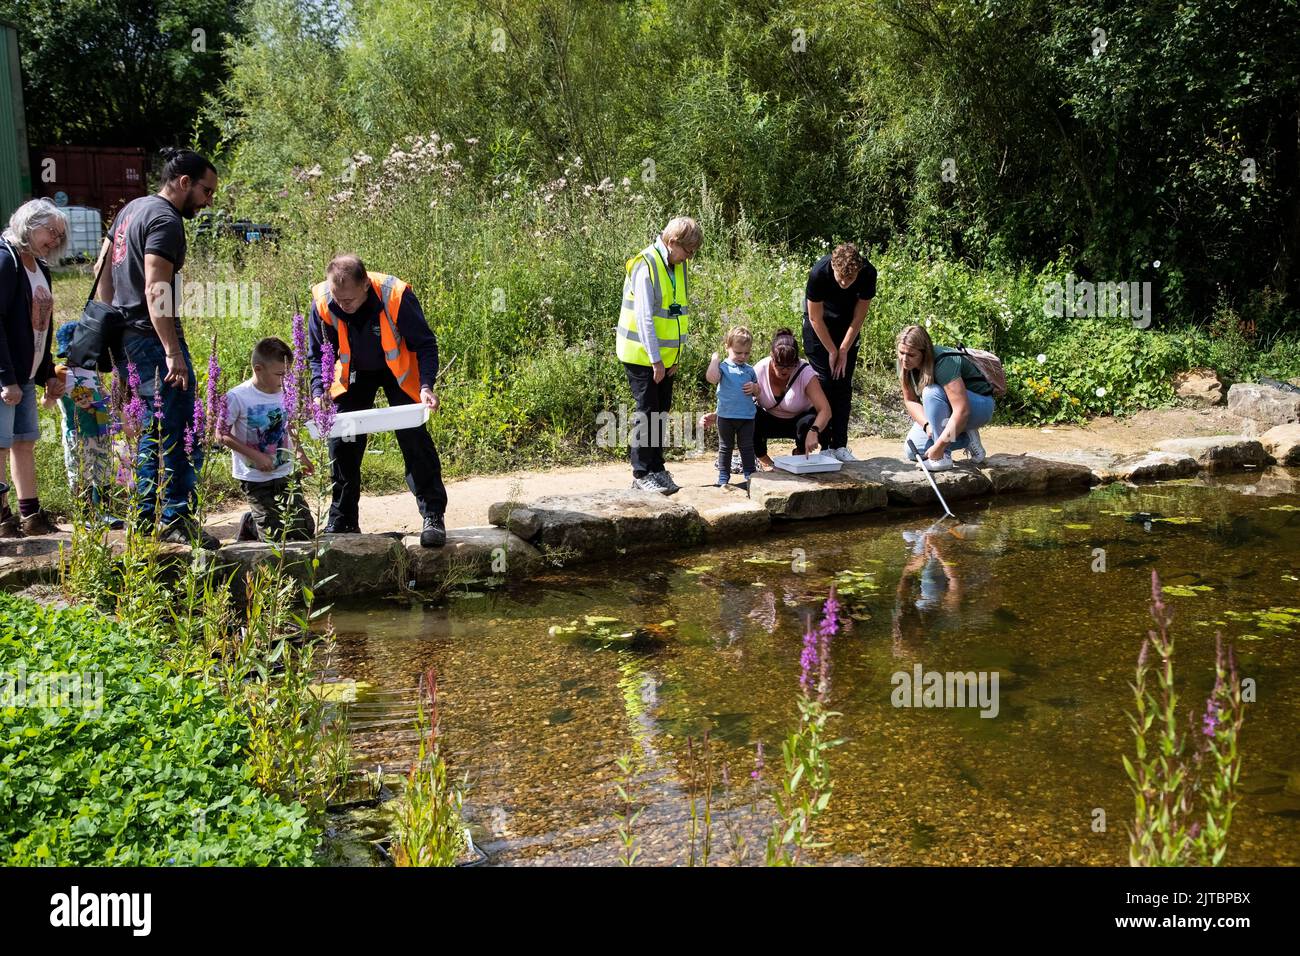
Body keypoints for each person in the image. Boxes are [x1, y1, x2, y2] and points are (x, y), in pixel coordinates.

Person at [94, 148, 220, 547]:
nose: (208, 201)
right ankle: (177, 516)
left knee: (152, 425)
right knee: (181, 423)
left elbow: (103, 271)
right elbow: (155, 287)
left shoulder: (132, 209)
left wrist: (111, 331)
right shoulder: (165, 220)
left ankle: (146, 516)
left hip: (127, 333)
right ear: (184, 182)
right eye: (206, 190)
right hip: (152, 336)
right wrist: (172, 350)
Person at [308, 253, 446, 547]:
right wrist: (319, 392)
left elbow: (425, 344)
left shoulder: (395, 295)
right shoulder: (322, 302)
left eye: (349, 300)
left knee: (413, 438)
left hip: (398, 371)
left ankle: (433, 515)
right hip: (354, 372)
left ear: (366, 287)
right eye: (337, 298)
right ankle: (342, 519)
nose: (342, 305)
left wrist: (426, 386)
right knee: (342, 440)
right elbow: (318, 355)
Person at [616, 216, 702, 494]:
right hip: (641, 354)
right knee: (647, 412)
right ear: (672, 242)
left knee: (661, 411)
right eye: (687, 251)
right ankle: (641, 473)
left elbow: (676, 312)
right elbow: (645, 319)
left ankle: (657, 468)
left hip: (665, 357)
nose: (689, 257)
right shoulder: (646, 264)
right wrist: (656, 360)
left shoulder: (677, 265)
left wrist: (674, 358)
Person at [0, 198, 69, 537]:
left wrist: (46, 373)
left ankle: (31, 516)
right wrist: (6, 378)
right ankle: (2, 518)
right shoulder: (5, 260)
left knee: (24, 442)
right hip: (6, 376)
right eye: (51, 232)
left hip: (26, 374)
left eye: (59, 235)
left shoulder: (39, 267)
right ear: (28, 224)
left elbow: (41, 325)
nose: (55, 240)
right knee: (0, 444)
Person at [220, 337, 316, 542]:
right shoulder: (237, 396)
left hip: (285, 471)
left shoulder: (286, 393)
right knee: (274, 538)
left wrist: (300, 454)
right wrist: (255, 455)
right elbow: (221, 434)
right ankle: (252, 524)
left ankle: (255, 520)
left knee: (302, 532)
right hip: (255, 477)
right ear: (258, 369)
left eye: (287, 374)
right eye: (280, 374)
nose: (284, 379)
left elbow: (289, 425)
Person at [803, 243, 877, 463]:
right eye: (840, 278)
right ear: (833, 267)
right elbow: (814, 317)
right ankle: (825, 446)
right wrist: (832, 350)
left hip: (847, 328)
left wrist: (843, 349)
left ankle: (840, 445)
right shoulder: (819, 272)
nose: (845, 284)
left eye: (850, 279)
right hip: (819, 329)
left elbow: (859, 316)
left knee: (843, 384)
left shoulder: (868, 273)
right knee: (824, 383)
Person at [47, 320, 118, 527]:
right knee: (80, 472)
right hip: (78, 432)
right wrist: (51, 396)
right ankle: (85, 515)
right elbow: (47, 402)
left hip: (102, 429)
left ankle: (104, 512)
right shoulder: (60, 372)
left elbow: (102, 393)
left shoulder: (93, 370)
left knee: (103, 472)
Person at [896, 324, 994, 472]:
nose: (904, 359)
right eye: (901, 352)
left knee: (931, 392)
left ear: (925, 353)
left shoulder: (943, 361)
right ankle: (966, 437)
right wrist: (927, 425)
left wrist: (940, 447)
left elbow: (962, 411)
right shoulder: (904, 363)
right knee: (913, 451)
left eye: (911, 355)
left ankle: (943, 458)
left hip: (980, 407)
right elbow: (910, 400)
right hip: (951, 410)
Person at [751, 328, 833, 469]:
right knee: (749, 414)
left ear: (797, 362)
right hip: (769, 421)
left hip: (798, 423)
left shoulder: (805, 372)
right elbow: (737, 397)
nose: (784, 371)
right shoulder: (759, 369)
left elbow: (825, 410)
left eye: (790, 366)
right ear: (772, 357)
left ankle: (800, 453)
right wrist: (717, 414)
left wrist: (814, 431)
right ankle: (763, 459)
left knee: (809, 421)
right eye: (780, 365)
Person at [705, 325, 757, 486]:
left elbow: (758, 391)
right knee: (725, 448)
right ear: (727, 348)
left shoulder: (750, 370)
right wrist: (715, 359)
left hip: (747, 417)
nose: (742, 357)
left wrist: (755, 388)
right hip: (725, 416)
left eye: (746, 353)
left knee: (747, 447)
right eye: (738, 353)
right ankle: (723, 476)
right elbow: (712, 378)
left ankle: (750, 474)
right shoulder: (723, 368)